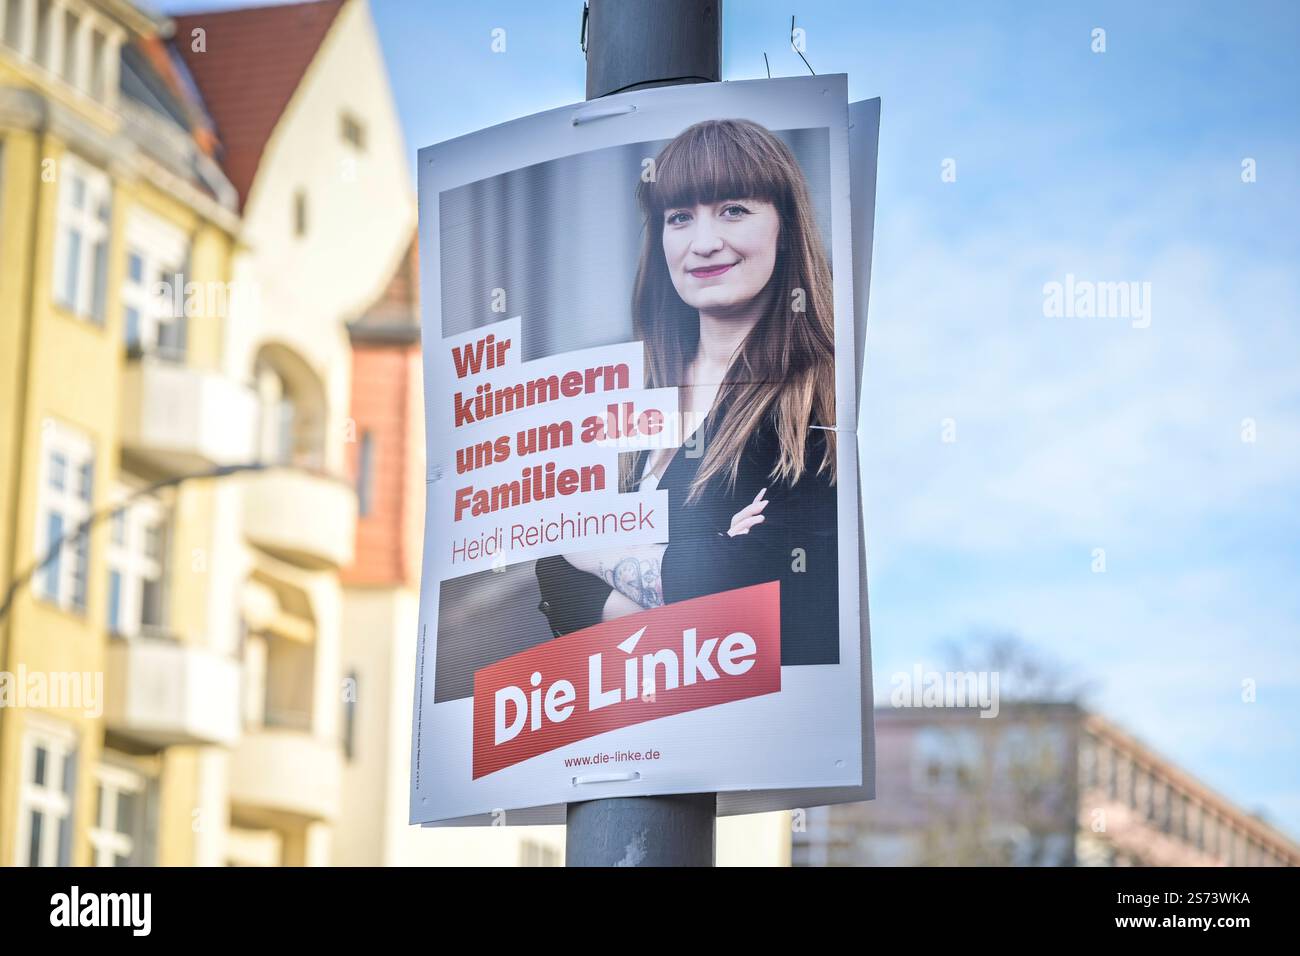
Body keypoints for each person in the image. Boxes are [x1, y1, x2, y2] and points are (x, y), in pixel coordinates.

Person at [534, 118, 839, 666]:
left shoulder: (817, 394)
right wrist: (697, 573)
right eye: (680, 217)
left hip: (755, 731)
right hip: (622, 735)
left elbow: (758, 581)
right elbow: (554, 575)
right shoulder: (628, 395)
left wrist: (603, 551)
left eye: (733, 210)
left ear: (785, 225)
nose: (703, 242)